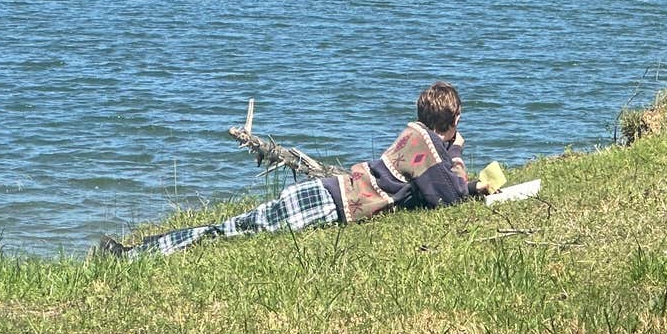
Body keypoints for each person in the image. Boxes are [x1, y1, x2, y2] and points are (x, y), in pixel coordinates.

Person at [100, 81, 492, 261]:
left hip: (326, 193)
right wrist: (458, 155)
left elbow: (431, 188)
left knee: (235, 227)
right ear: (452, 118)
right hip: (329, 203)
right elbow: (448, 198)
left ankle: (142, 248)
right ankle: (133, 255)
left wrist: (472, 183)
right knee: (230, 230)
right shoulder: (426, 144)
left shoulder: (415, 136)